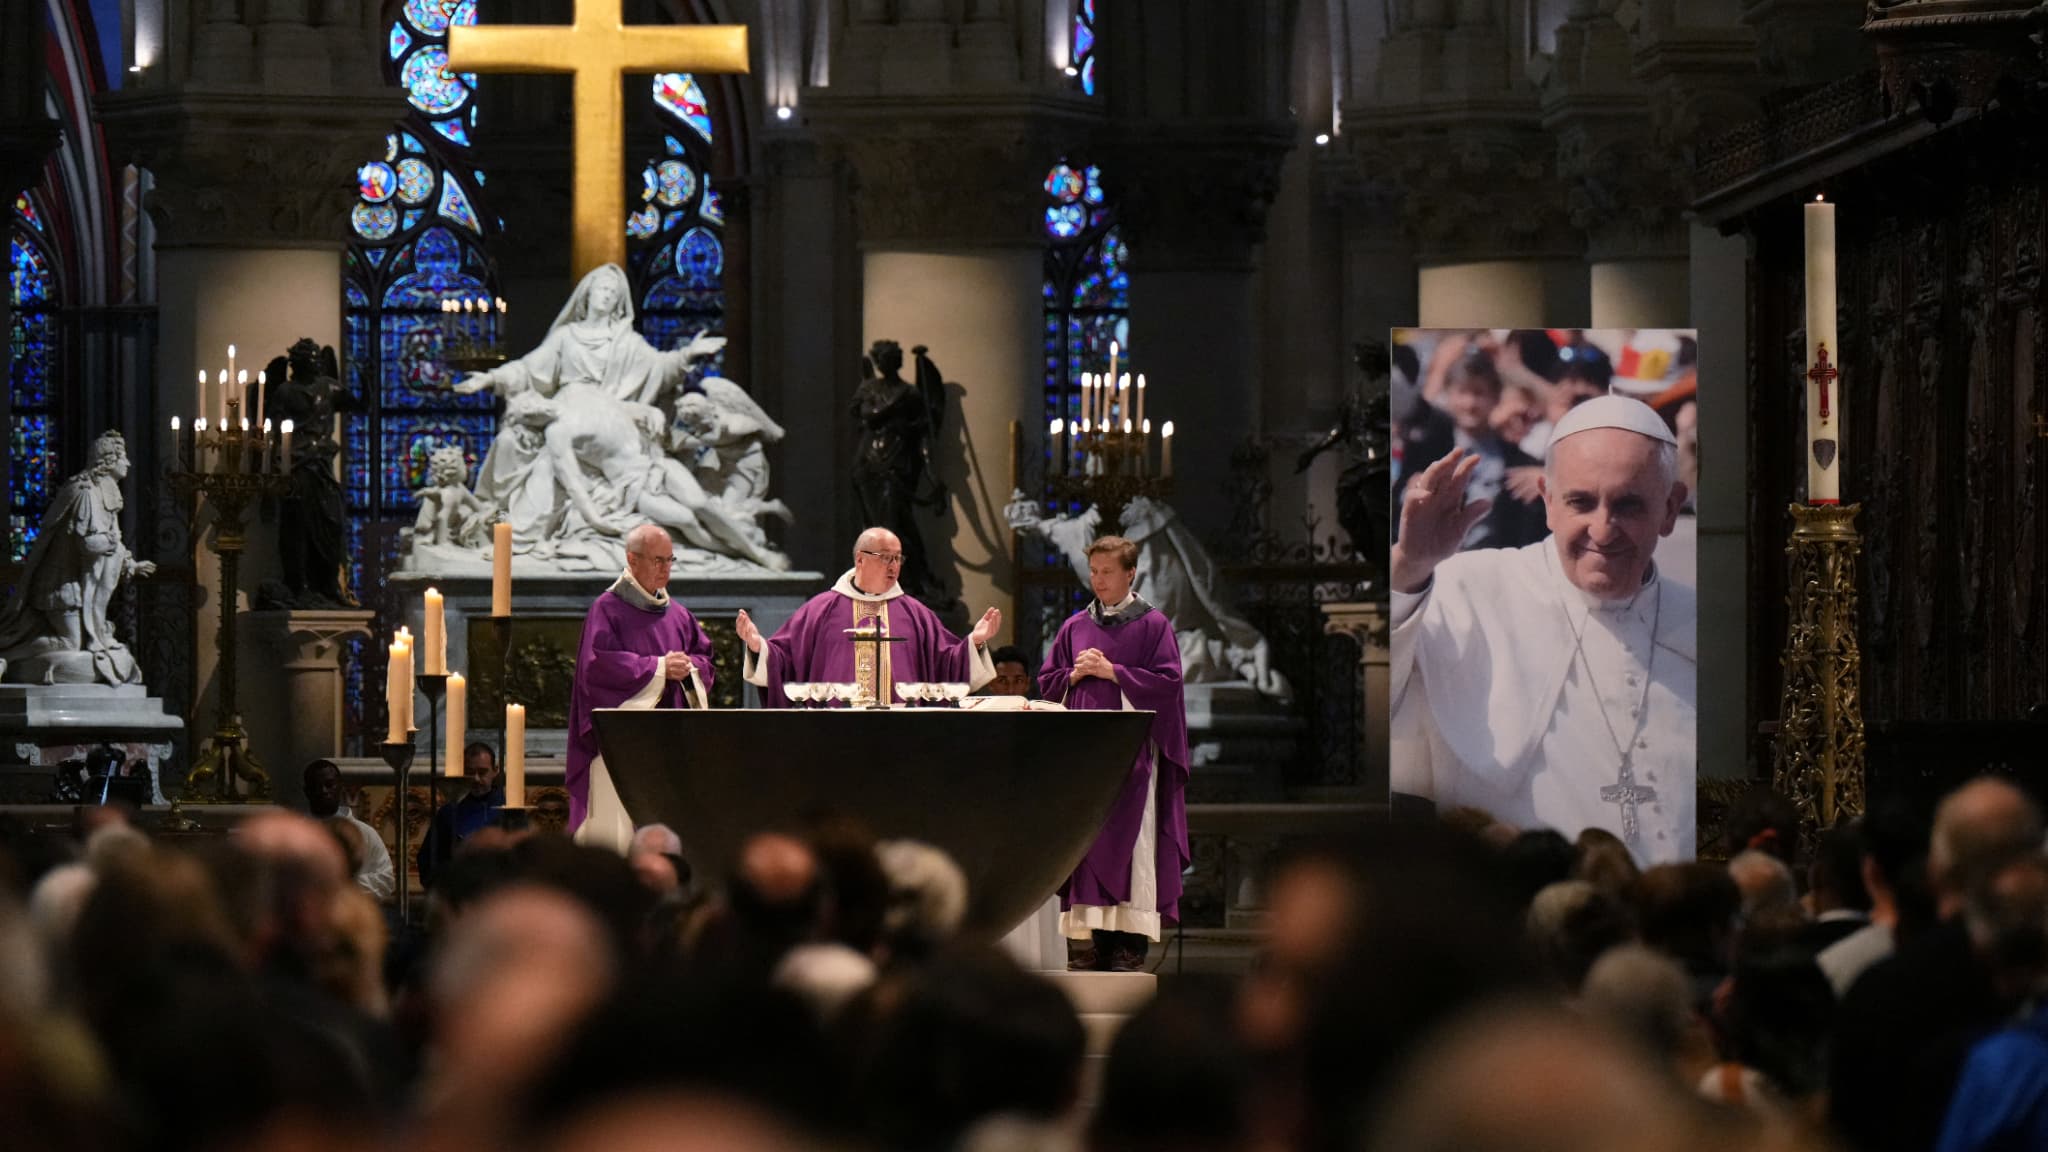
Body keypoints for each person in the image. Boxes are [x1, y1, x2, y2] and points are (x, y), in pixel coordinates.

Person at [1390, 394, 1697, 862]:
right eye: (1581, 502)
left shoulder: (1699, 621)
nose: (1603, 529)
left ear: (1671, 507)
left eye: (1628, 505)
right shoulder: (1466, 590)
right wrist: (1408, 568)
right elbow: (1374, 700)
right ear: (1548, 501)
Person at [1040, 536, 1189, 972]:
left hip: (1132, 757)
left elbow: (1168, 683)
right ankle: (1090, 943)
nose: (1098, 580)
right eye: (1094, 572)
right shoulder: (1074, 626)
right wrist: (1073, 675)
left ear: (1130, 574)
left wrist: (1113, 672)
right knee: (1085, 844)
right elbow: (1047, 682)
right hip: (1085, 759)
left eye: (1107, 572)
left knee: (1132, 846)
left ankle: (1129, 943)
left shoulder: (1153, 625)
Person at [566, 523, 717, 850]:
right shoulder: (606, 609)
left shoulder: (678, 614)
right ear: (632, 559)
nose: (665, 569)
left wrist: (688, 668)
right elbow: (597, 667)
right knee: (615, 828)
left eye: (669, 560)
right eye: (657, 560)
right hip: (618, 742)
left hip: (668, 740)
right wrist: (660, 667)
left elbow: (705, 660)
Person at [734, 527, 999, 707]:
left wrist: (974, 642)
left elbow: (947, 665)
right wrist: (759, 647)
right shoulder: (820, 610)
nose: (894, 565)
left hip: (905, 736)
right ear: (860, 559)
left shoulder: (915, 614)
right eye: (885, 557)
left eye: (898, 558)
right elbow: (786, 661)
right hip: (834, 736)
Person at [0, 431, 156, 685]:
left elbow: (110, 538)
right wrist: (112, 544)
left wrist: (130, 564)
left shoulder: (107, 492)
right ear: (108, 460)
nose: (127, 463)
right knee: (72, 643)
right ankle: (9, 656)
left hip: (82, 586)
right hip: (62, 584)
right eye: (123, 458)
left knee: (84, 644)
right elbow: (89, 543)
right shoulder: (85, 492)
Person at [302, 759, 395, 903]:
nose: (323, 791)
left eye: (329, 784)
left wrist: (343, 885)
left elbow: (386, 880)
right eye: (316, 786)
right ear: (307, 791)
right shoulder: (295, 834)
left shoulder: (365, 833)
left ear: (340, 787)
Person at [418, 743, 504, 890]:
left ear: (495, 771)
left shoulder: (508, 811)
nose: (476, 779)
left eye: (482, 772)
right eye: (470, 772)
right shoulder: (447, 813)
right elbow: (428, 862)